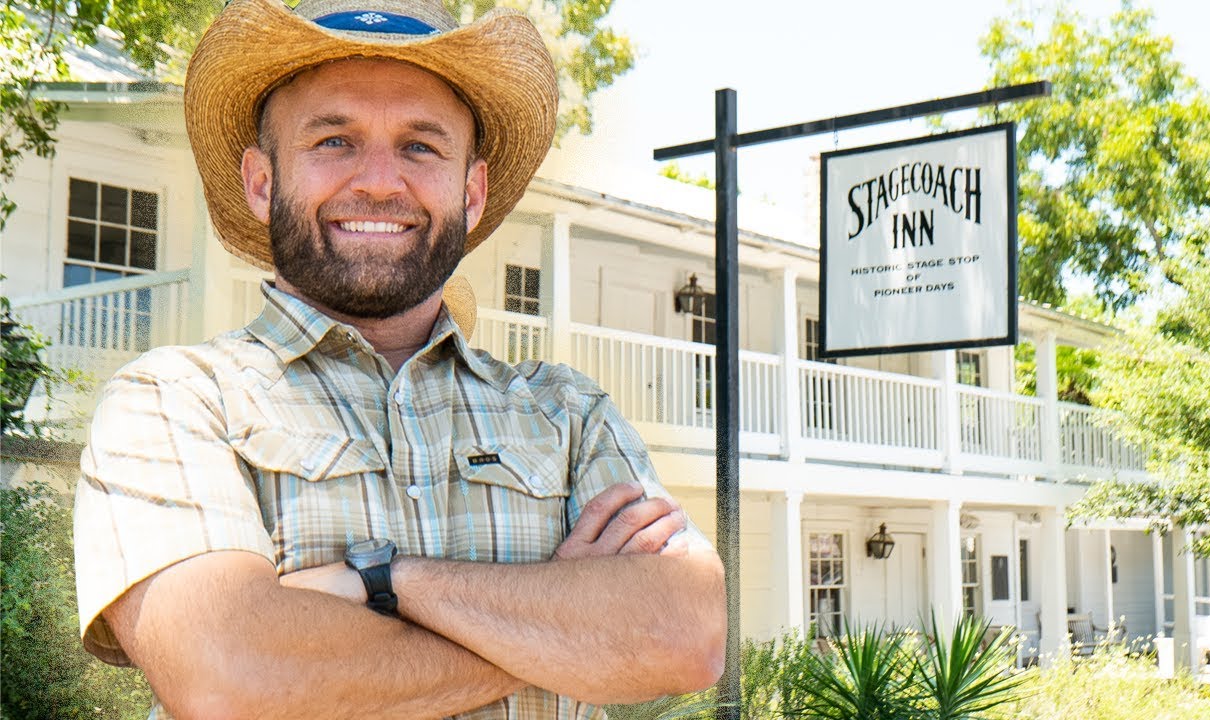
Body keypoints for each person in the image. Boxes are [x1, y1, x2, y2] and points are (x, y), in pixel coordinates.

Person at [71, 1, 727, 717]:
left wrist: (383, 580)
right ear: (261, 183)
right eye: (333, 141)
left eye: (420, 146)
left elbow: (684, 633)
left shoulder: (568, 414)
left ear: (471, 193)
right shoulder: (174, 400)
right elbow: (229, 677)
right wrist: (560, 628)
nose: (380, 181)